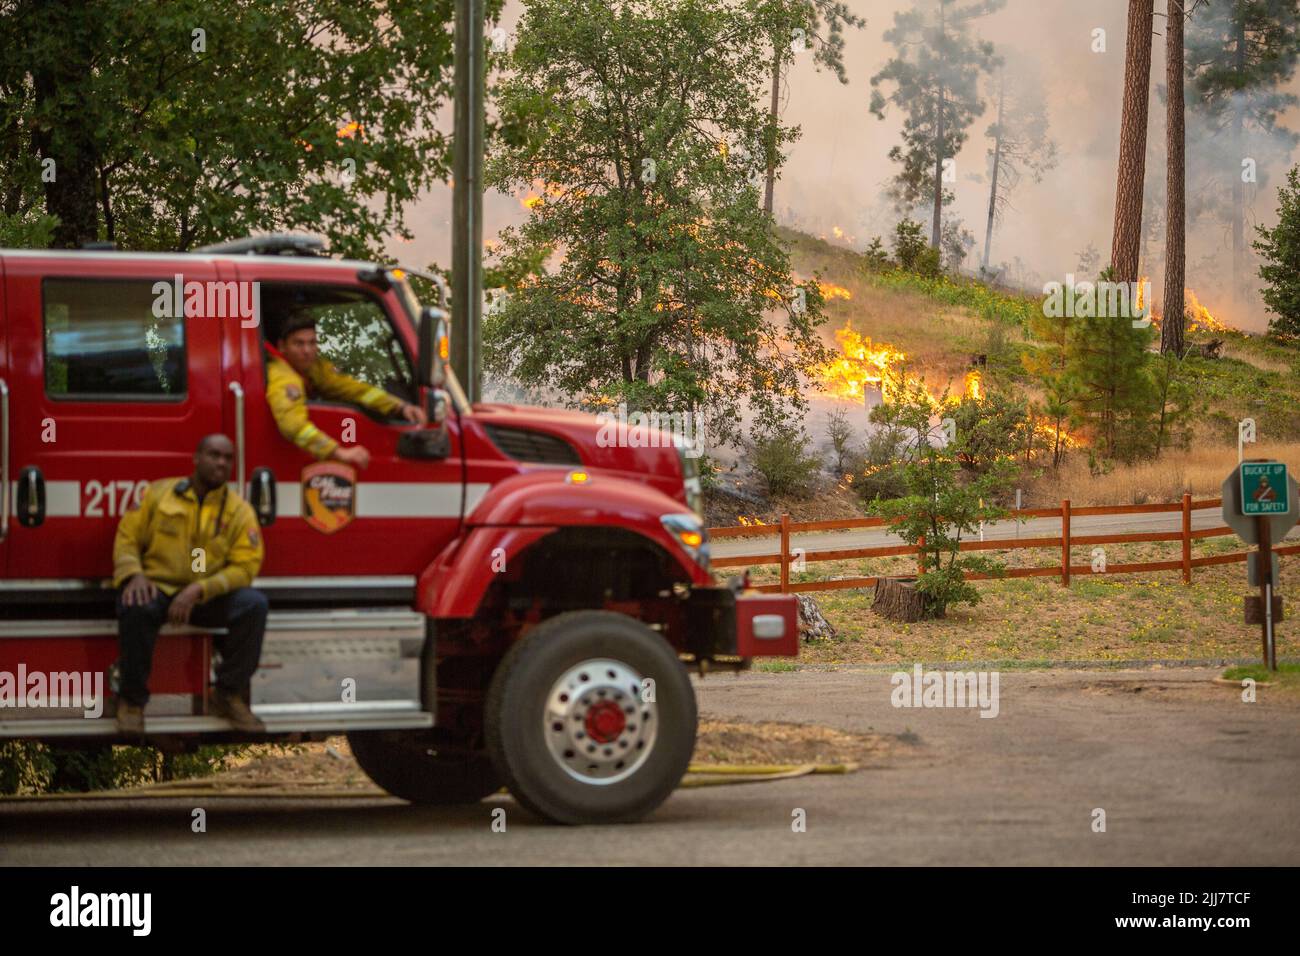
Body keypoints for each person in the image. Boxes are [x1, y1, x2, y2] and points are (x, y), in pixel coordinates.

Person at [113, 434, 268, 734]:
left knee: (254, 605)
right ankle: (131, 703)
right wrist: (134, 574)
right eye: (214, 455)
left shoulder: (238, 511)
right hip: (158, 588)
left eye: (227, 458)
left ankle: (228, 694)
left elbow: (246, 565)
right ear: (196, 458)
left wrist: (201, 589)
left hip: (202, 595)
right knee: (135, 604)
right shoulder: (158, 495)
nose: (221, 463)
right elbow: (127, 538)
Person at [265, 311, 426, 470]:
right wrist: (338, 453)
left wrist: (399, 406)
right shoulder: (284, 378)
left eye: (312, 343)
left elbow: (352, 389)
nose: (307, 350)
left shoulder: (312, 370)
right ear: (282, 346)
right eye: (299, 344)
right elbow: (293, 426)